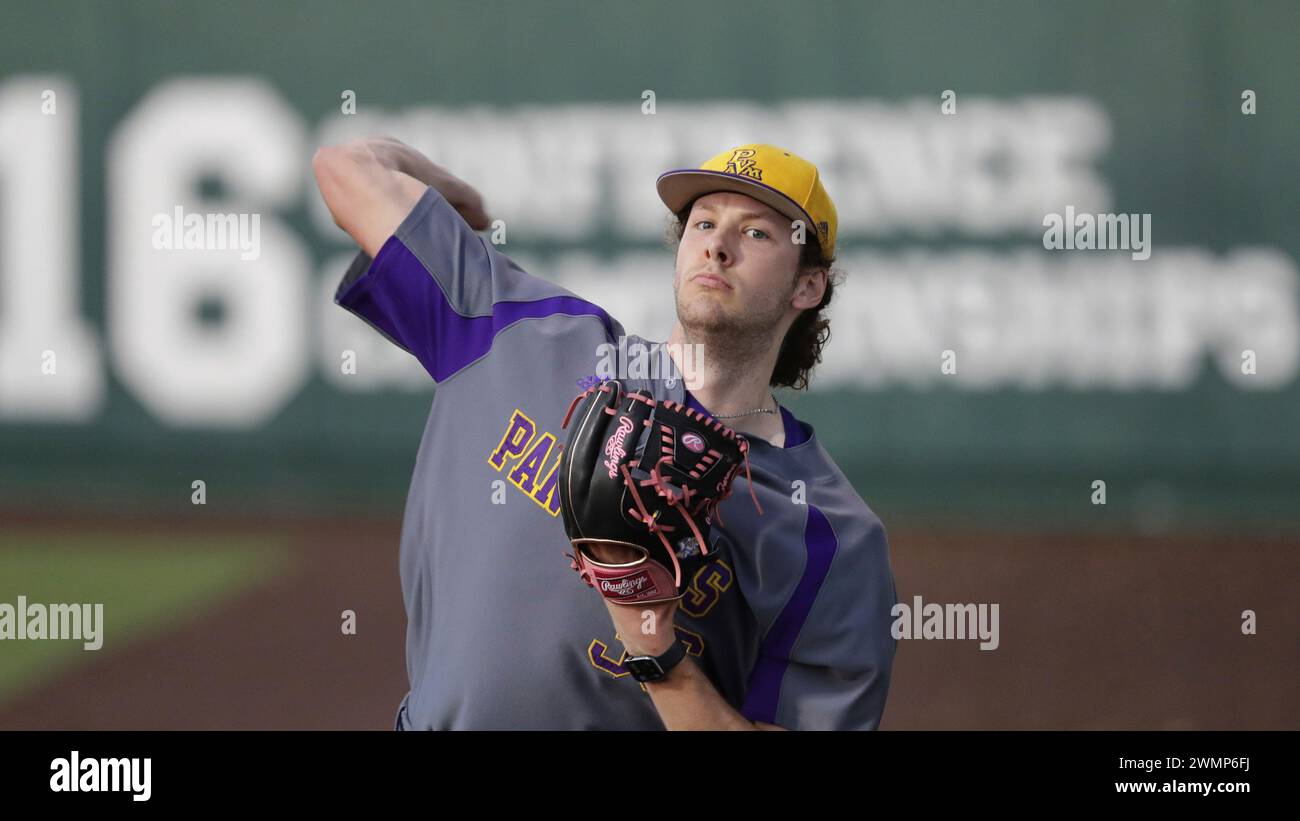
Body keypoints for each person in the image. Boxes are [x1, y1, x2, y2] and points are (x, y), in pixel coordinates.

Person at [312, 138, 897, 730]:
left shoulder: (829, 536)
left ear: (807, 287)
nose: (717, 246)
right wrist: (456, 197)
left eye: (755, 234)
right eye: (703, 222)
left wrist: (653, 645)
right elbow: (346, 168)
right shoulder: (522, 332)